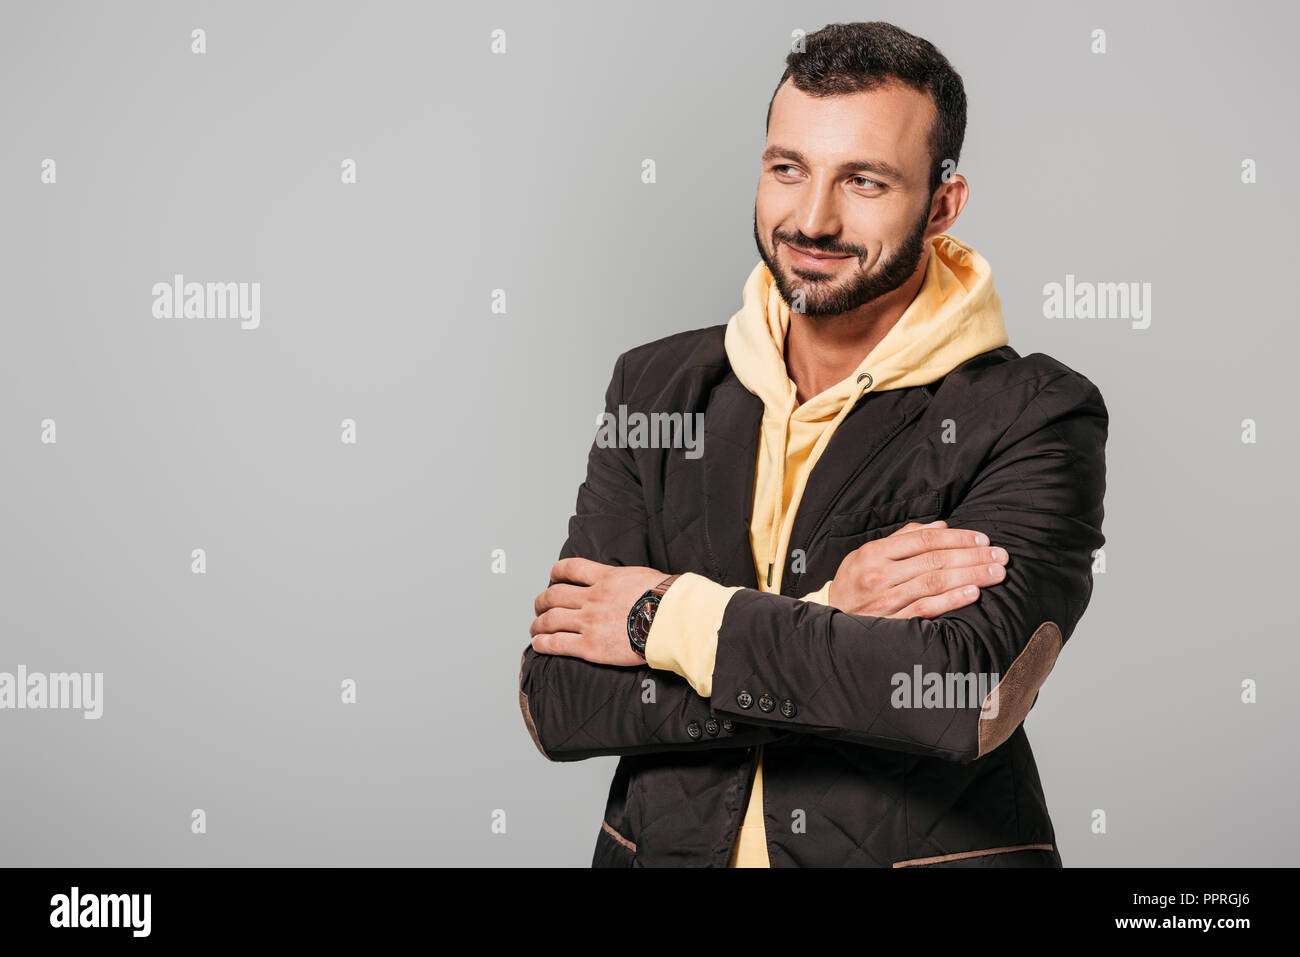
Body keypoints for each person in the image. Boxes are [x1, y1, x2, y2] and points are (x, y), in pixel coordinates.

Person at [519, 20, 1107, 868]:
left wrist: (660, 618)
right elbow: (560, 696)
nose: (812, 218)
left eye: (864, 181)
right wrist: (832, 618)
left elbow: (963, 696)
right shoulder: (653, 387)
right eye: (787, 168)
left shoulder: (1035, 412)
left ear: (942, 205)